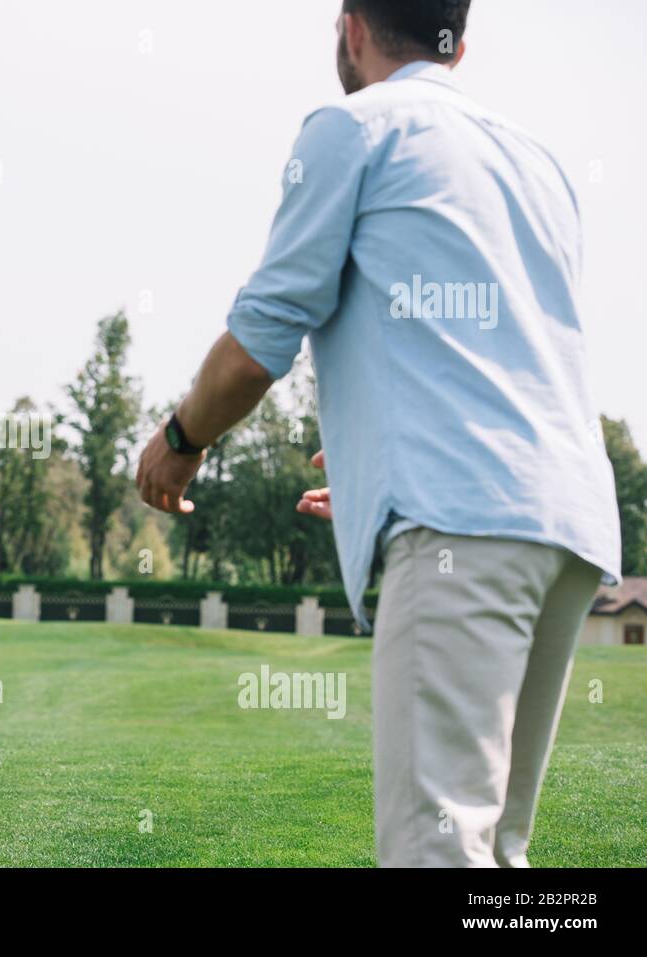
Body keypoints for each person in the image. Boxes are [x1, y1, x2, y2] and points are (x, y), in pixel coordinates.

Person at [135, 0, 621, 867]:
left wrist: (180, 434)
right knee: (496, 856)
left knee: (438, 850)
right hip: (572, 526)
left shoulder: (351, 128)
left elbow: (261, 343)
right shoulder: (536, 160)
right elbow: (507, 351)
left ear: (351, 27)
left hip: (463, 523)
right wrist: (374, 461)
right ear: (459, 44)